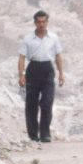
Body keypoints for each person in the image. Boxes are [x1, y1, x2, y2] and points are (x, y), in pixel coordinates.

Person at [17, 10, 65, 143]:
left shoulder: (53, 38)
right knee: (31, 104)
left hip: (47, 70)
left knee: (47, 102)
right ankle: (33, 134)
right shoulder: (28, 39)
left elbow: (58, 56)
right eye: (39, 22)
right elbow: (21, 58)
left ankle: (45, 134)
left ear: (47, 22)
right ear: (35, 23)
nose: (41, 24)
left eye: (44, 22)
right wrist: (21, 75)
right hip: (33, 69)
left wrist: (61, 73)